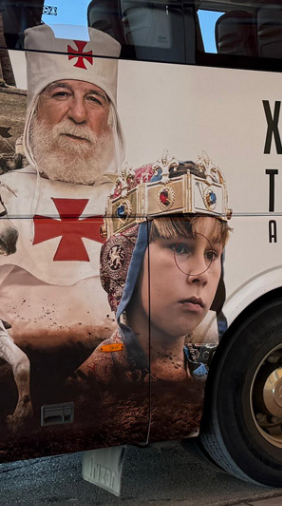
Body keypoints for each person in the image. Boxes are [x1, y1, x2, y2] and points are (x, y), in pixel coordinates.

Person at [0, 25, 125, 363]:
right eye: (61, 94)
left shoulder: (132, 200)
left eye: (94, 99)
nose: (78, 115)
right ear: (35, 109)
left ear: (109, 119)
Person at [77, 158, 231, 382]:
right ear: (128, 260)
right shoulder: (89, 385)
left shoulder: (216, 367)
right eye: (180, 248)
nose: (201, 274)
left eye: (211, 255)